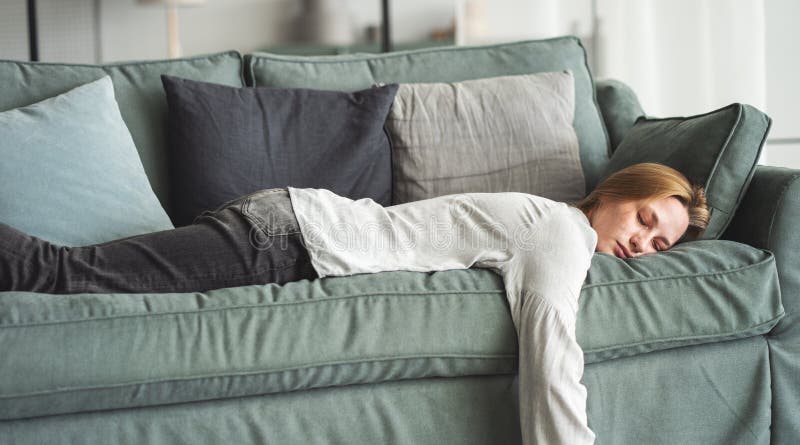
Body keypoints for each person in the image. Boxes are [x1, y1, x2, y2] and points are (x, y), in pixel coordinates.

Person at [0, 162, 709, 444]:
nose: (643, 243)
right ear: (617, 191)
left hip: (288, 232)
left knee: (70, 276)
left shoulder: (552, 229)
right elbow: (552, 345)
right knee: (63, 273)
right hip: (286, 239)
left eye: (660, 246)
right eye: (647, 218)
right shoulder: (560, 230)